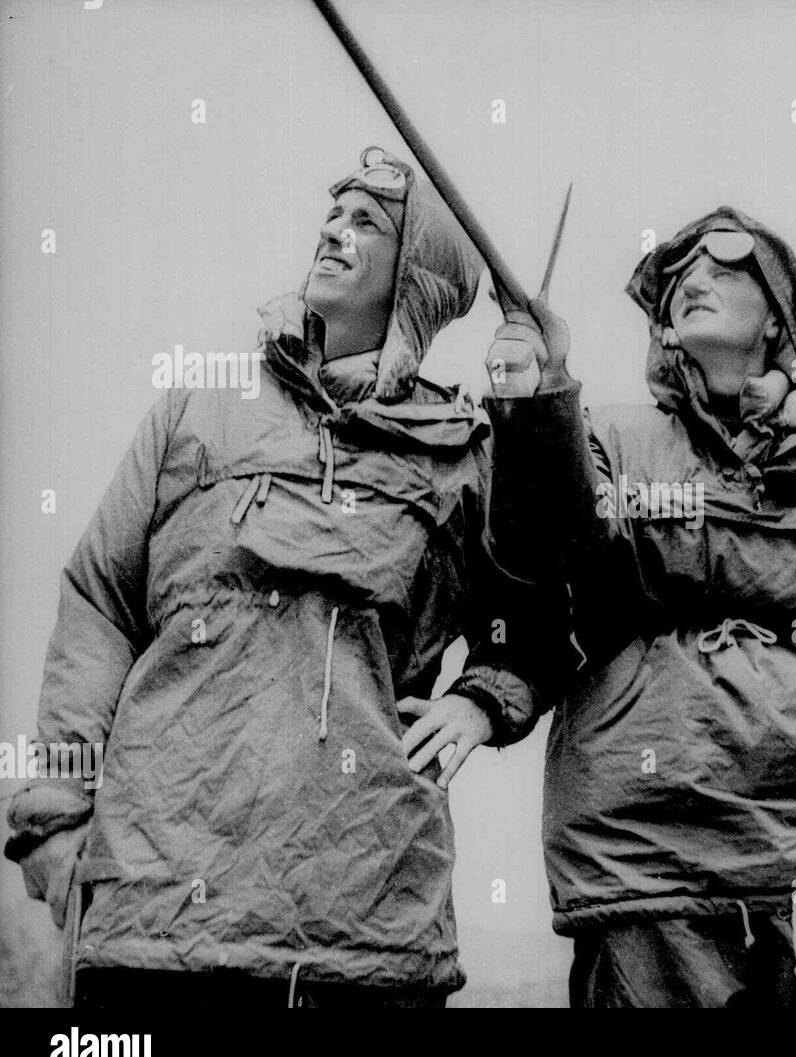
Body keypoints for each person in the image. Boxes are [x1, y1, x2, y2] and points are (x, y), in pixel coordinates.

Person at [4, 147, 546, 1008]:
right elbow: (98, 605)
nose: (333, 230)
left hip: (366, 924)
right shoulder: (199, 405)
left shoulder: (468, 453)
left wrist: (483, 694)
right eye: (333, 215)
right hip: (160, 915)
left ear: (419, 277)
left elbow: (548, 596)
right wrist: (56, 814)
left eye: (367, 222)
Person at [470, 206, 796, 1007]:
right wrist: (534, 396)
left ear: (779, 314)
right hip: (647, 854)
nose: (694, 280)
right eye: (678, 276)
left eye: (726, 266)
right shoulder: (608, 436)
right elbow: (539, 553)